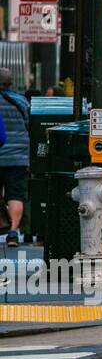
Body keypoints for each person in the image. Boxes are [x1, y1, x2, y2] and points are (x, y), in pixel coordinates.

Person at [0, 68, 27, 247]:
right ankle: (13, 232)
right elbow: (29, 125)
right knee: (15, 194)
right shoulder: (21, 101)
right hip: (18, 156)